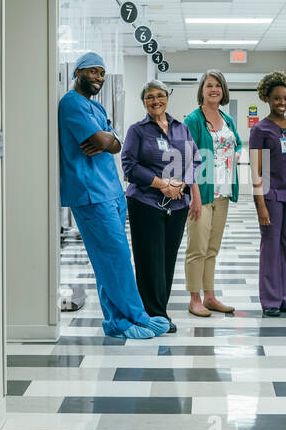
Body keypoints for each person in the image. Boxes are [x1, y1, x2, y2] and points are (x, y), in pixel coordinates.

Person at [57, 52, 170, 340]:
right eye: (92, 71)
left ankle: (116, 321)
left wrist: (108, 138)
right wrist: (107, 137)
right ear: (77, 73)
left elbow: (115, 145)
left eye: (101, 73)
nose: (98, 77)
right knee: (117, 257)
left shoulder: (94, 107)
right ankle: (136, 316)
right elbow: (100, 140)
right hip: (91, 194)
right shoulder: (71, 103)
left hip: (111, 191)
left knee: (109, 260)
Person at [121, 81, 201, 333]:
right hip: (145, 203)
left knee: (166, 260)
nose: (156, 101)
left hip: (176, 206)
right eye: (149, 97)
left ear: (167, 97)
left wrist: (182, 184)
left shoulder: (181, 129)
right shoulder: (138, 131)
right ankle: (154, 315)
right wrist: (162, 184)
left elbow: (196, 160)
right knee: (149, 261)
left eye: (160, 96)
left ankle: (159, 310)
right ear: (143, 102)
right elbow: (129, 166)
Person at [248, 72, 286, 318]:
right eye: (276, 98)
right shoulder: (260, 129)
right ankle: (270, 300)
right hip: (271, 196)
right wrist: (260, 204)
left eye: (285, 98)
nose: (281, 102)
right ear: (267, 99)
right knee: (271, 246)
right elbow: (257, 170)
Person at [183, 70, 242, 317]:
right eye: (209, 85)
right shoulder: (193, 120)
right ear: (202, 90)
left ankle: (210, 296)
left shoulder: (226, 119)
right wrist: (194, 196)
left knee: (213, 248)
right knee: (197, 247)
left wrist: (236, 153)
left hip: (222, 192)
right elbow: (186, 159)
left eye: (218, 85)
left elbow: (237, 142)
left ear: (223, 90)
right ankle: (194, 298)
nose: (214, 89)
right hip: (201, 192)